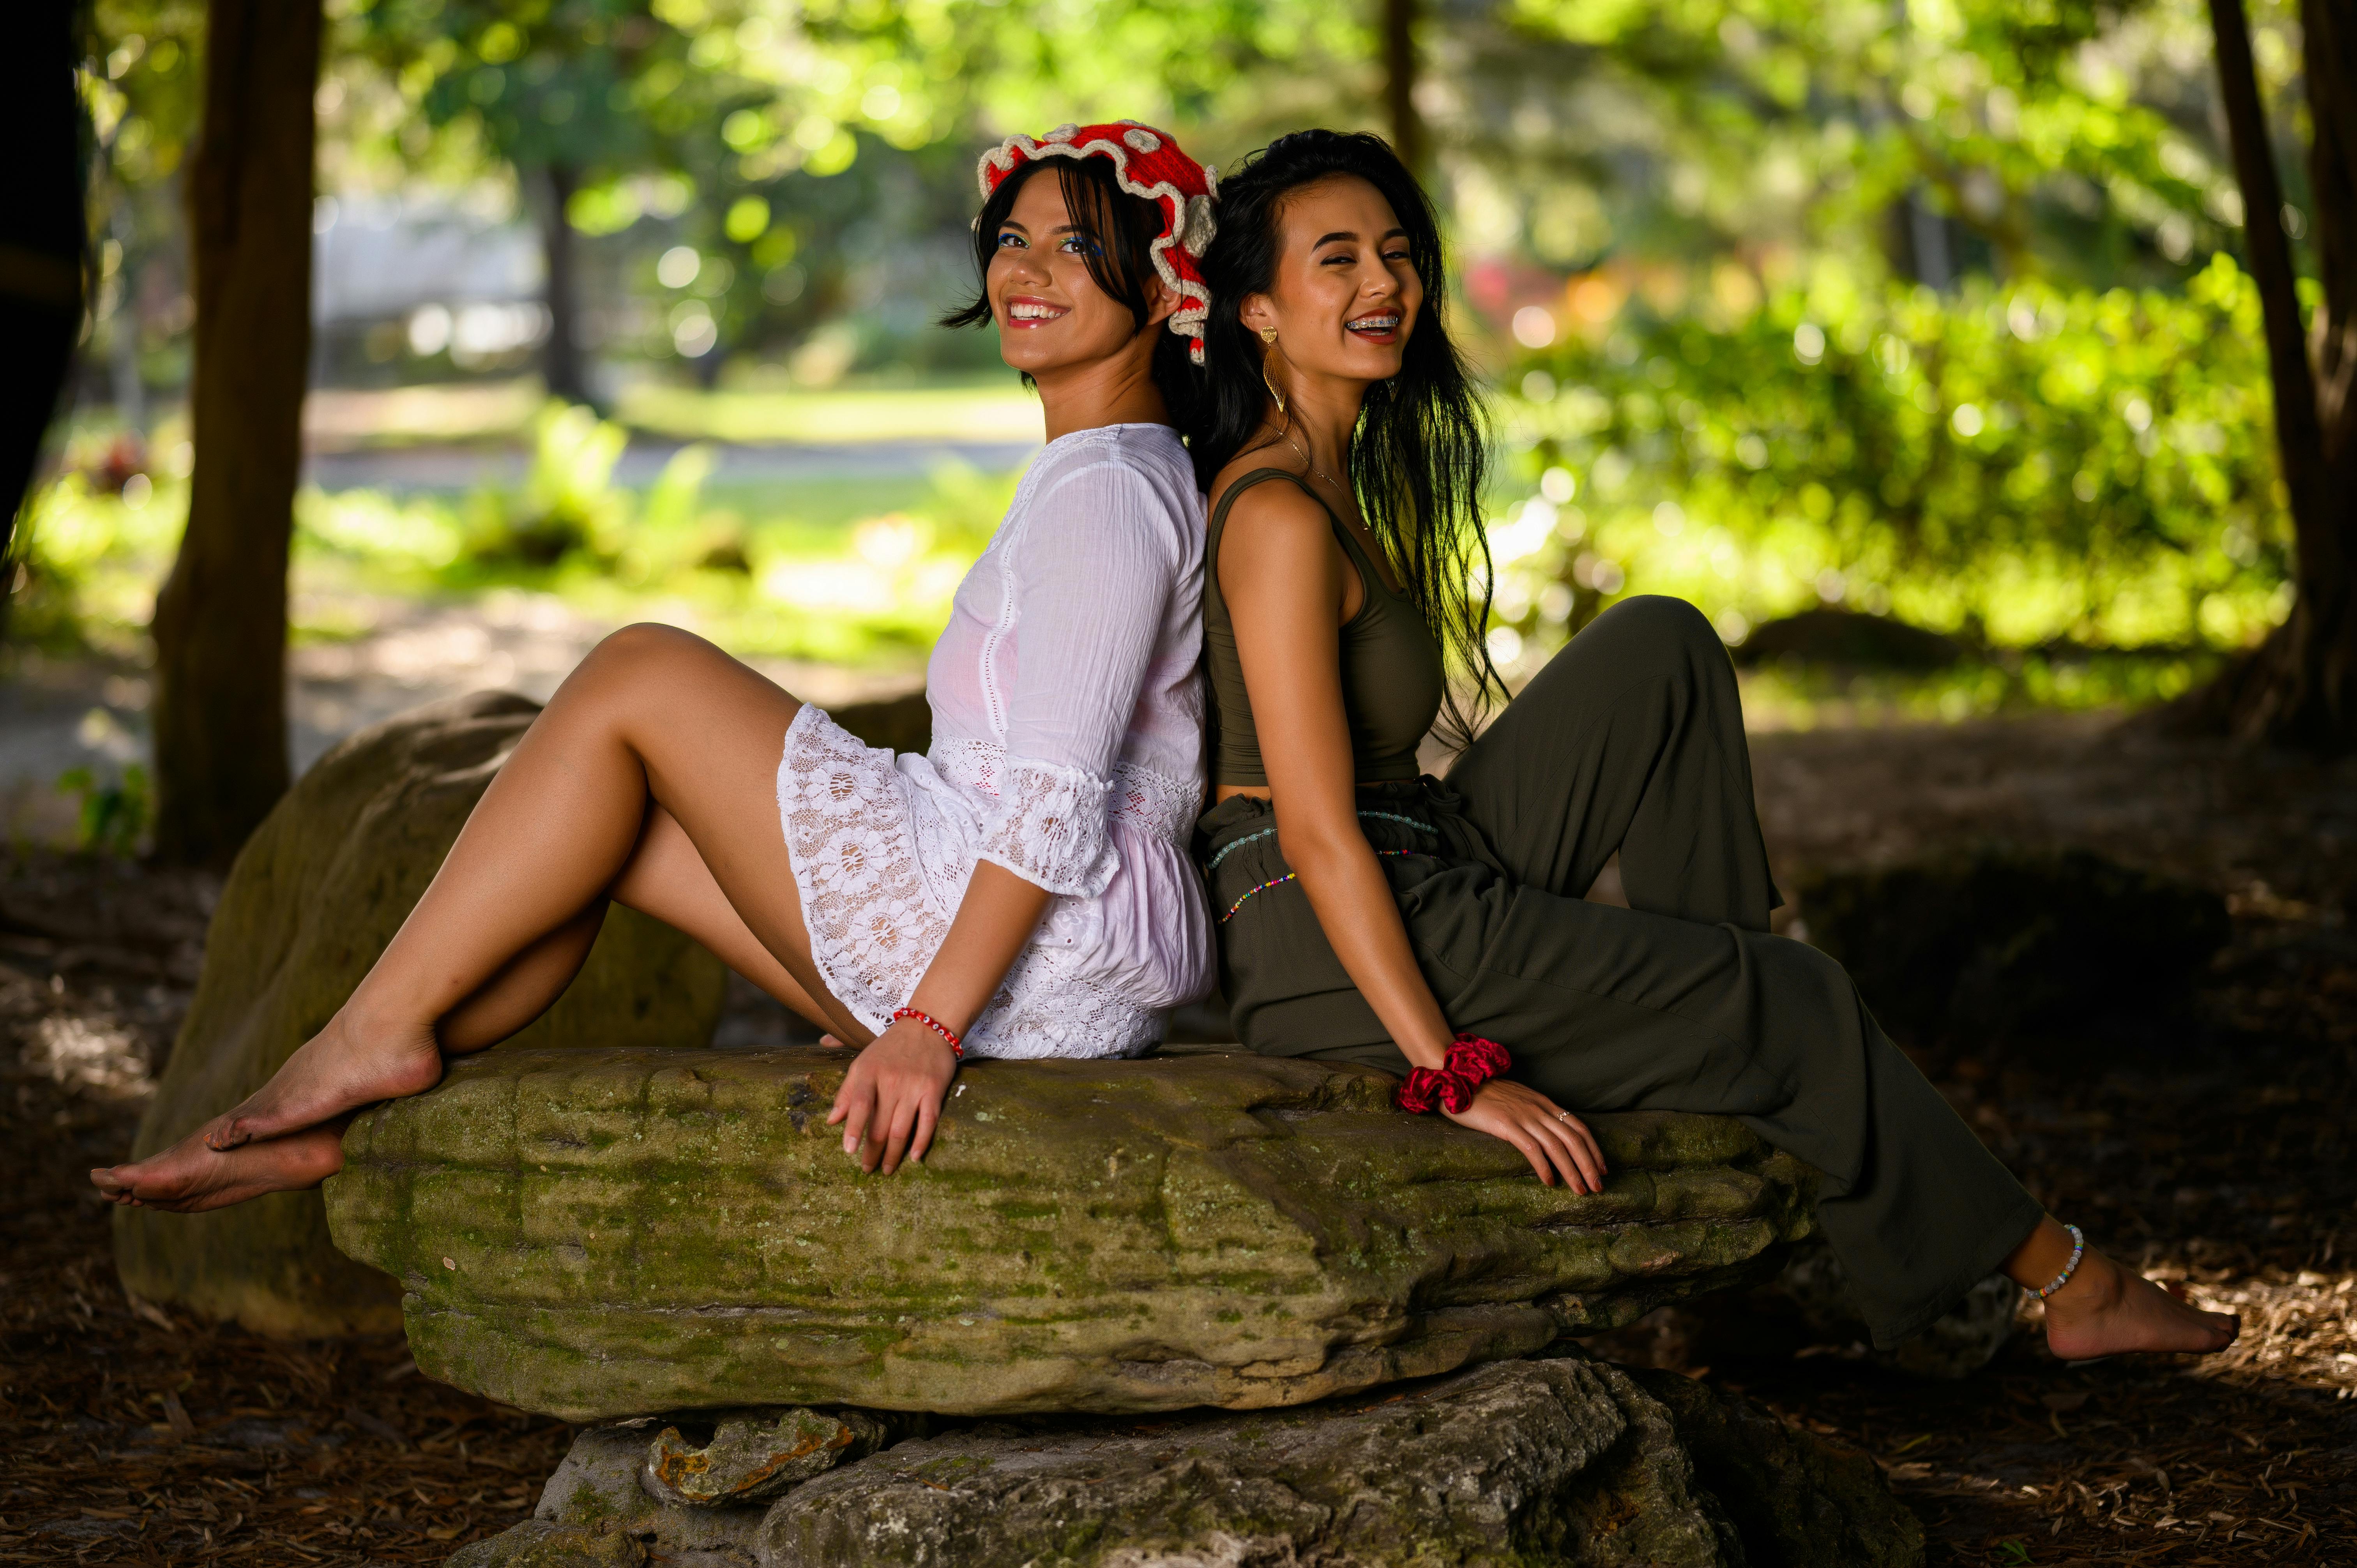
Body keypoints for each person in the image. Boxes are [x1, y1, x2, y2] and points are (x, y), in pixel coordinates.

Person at [1188, 128, 2238, 1360]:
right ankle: (2068, 1281)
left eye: (1398, 253)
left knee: (1661, 648)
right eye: (1338, 260)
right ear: (1257, 308)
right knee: (1797, 995)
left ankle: (1735, 1037)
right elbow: (1315, 828)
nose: (1385, 285)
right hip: (1326, 915)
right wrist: (1453, 1072)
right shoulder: (1275, 515)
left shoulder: (1337, 476)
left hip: (1423, 845)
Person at [94, 120, 1223, 1205]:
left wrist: (925, 1027)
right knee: (607, 828)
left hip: (1041, 968)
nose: (1030, 269)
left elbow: (1054, 808)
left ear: (1167, 288)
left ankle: (360, 1037)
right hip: (1038, 955)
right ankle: (343, 1108)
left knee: (639, 669)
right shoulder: (1104, 471)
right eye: (1015, 239)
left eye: (1078, 245)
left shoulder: (1111, 492)